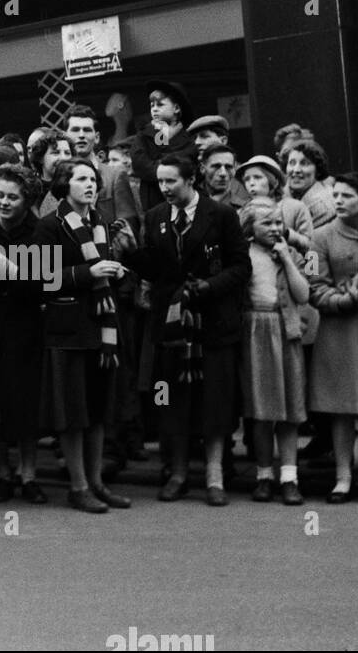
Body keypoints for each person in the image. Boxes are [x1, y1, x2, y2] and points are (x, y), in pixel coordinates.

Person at [132, 152, 250, 506]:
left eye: (171, 181)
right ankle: (178, 473)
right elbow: (155, 270)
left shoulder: (222, 215)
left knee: (215, 401)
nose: (164, 188)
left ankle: (214, 475)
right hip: (170, 330)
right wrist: (130, 256)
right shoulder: (154, 218)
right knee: (171, 401)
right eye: (161, 181)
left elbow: (241, 267)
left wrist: (210, 287)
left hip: (212, 325)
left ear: (190, 180)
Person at [32, 160, 133, 513]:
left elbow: (102, 274)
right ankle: (78, 486)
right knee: (73, 412)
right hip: (68, 328)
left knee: (97, 409)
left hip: (101, 325)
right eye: (81, 179)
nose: (89, 185)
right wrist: (87, 272)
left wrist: (116, 270)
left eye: (93, 179)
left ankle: (97, 483)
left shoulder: (101, 222)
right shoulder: (49, 226)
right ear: (64, 184)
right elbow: (39, 278)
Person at [0, 164, 48, 502]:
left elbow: (44, 286)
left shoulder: (39, 231)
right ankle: (3, 473)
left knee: (26, 403)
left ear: (27, 200)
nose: (3, 202)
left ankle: (29, 474)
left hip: (26, 326)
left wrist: (12, 271)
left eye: (12, 197)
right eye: (0, 195)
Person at [238, 198, 310, 505]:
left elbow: (303, 294)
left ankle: (289, 477)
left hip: (286, 329)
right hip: (256, 331)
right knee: (263, 411)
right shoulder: (243, 255)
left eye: (278, 222)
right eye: (266, 223)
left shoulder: (289, 253)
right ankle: (264, 475)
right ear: (250, 228)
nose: (275, 228)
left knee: (290, 411)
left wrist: (287, 259)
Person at [307, 172, 358, 503]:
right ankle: (343, 478)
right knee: (342, 408)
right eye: (336, 195)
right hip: (341, 330)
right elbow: (314, 287)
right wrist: (347, 299)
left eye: (347, 196)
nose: (339, 201)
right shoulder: (320, 237)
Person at [130, 80, 195, 215]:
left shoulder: (189, 138)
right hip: (153, 204)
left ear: (176, 108)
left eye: (160, 104)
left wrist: (157, 164)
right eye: (152, 105)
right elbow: (139, 165)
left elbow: (187, 163)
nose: (154, 108)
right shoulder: (143, 135)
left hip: (183, 203)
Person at [282, 138, 335, 229]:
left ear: (318, 170)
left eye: (304, 163)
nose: (296, 170)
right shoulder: (287, 193)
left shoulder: (324, 205)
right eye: (292, 163)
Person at [28, 127, 74, 217]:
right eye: (56, 152)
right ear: (41, 158)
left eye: (67, 153)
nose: (63, 158)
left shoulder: (76, 187)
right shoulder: (30, 190)